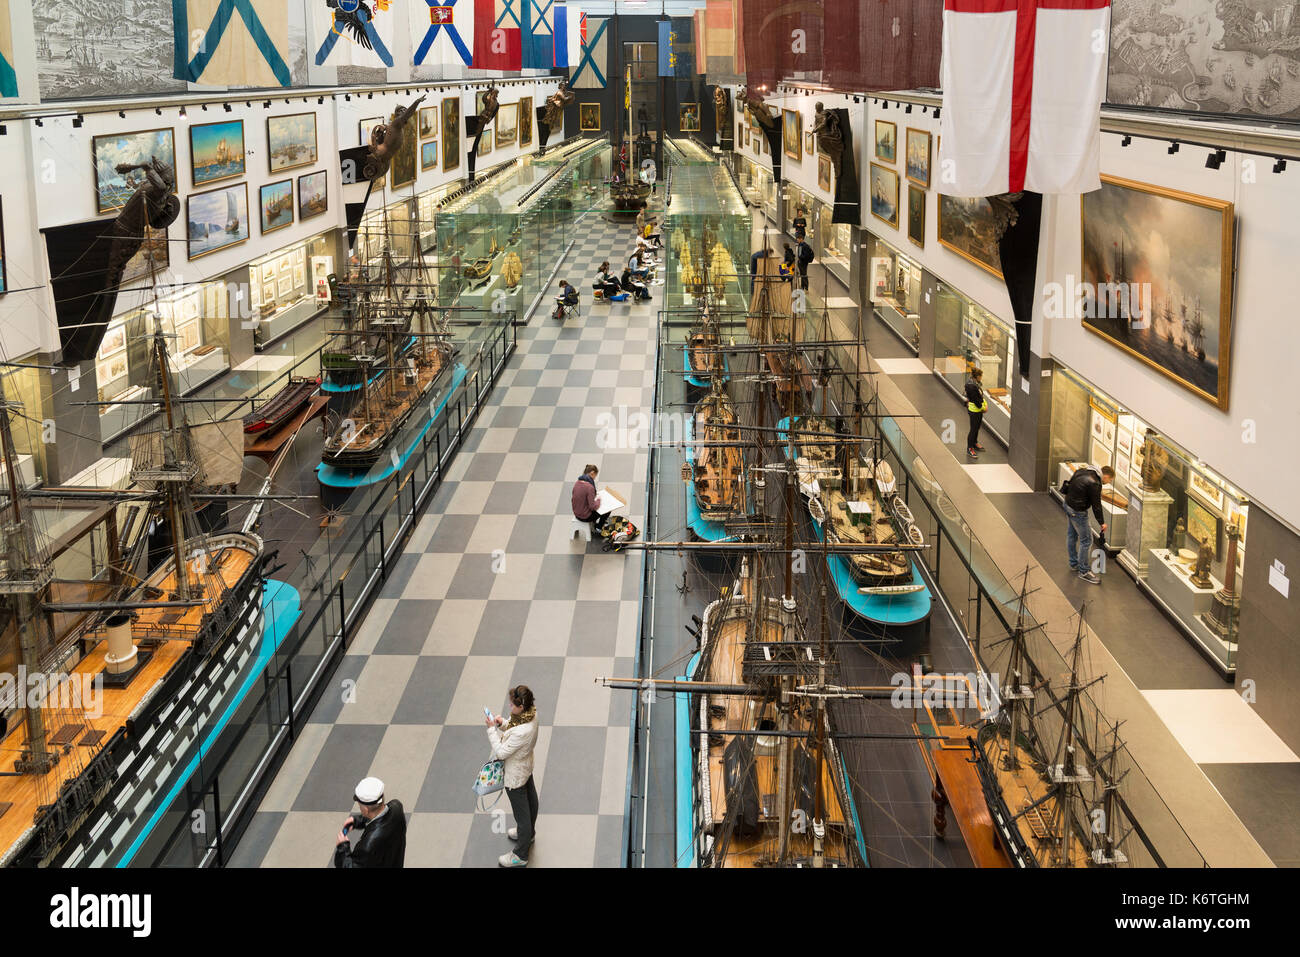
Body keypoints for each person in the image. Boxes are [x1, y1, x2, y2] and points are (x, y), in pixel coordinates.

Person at [485, 685, 540, 868]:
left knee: (521, 814)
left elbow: (501, 753)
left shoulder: (522, 731)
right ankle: (529, 834)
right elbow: (515, 727)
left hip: (515, 775)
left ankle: (520, 854)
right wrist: (503, 724)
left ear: (521, 707)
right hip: (526, 766)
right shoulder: (531, 715)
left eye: (513, 705)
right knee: (531, 800)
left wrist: (492, 729)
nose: (510, 707)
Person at [333, 777, 406, 868]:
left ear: (365, 809)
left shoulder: (367, 846)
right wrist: (358, 821)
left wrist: (342, 847)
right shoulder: (397, 808)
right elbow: (382, 818)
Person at [1063, 464, 1115, 584]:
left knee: (1072, 535)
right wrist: (1102, 522)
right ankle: (1084, 571)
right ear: (1106, 476)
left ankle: (1074, 563)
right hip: (1078, 511)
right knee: (1086, 541)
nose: (1109, 482)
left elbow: (1071, 483)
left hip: (1068, 504)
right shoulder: (1095, 483)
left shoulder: (1083, 471)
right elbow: (1096, 505)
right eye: (1110, 480)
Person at [572, 463, 610, 528]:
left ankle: (594, 521)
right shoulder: (589, 487)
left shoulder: (577, 483)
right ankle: (599, 527)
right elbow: (593, 507)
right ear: (592, 473)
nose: (594, 479)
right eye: (595, 476)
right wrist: (598, 500)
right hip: (585, 517)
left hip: (576, 513)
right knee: (607, 509)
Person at [965, 366, 987, 458]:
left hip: (978, 410)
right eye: (981, 376)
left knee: (977, 427)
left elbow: (979, 397)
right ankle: (969, 449)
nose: (981, 378)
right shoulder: (971, 386)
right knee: (973, 429)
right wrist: (983, 408)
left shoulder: (976, 383)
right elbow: (976, 400)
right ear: (977, 376)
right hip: (975, 410)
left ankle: (975, 442)